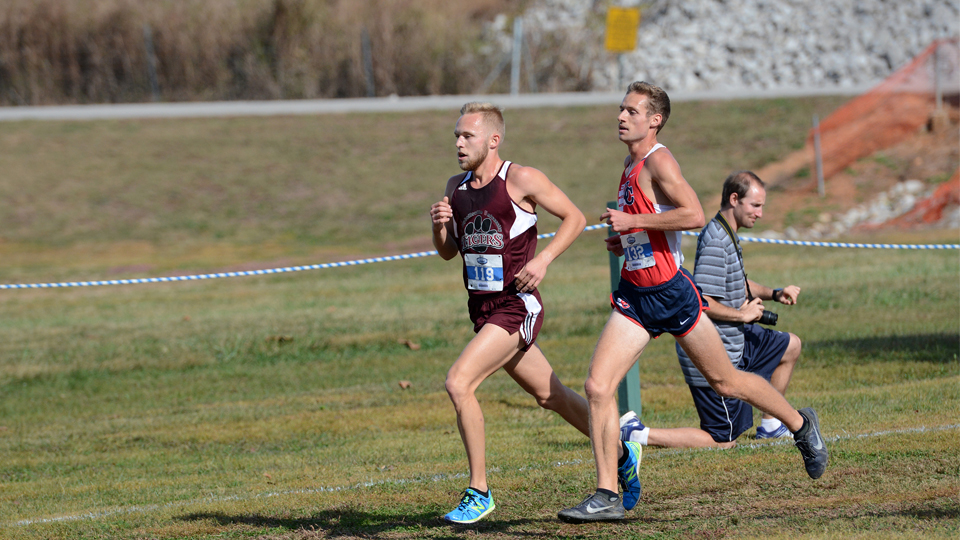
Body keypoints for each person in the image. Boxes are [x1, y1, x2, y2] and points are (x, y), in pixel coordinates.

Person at [558, 82, 828, 524]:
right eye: (621, 109)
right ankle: (606, 493)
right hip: (636, 294)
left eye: (631, 111)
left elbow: (695, 214)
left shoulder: (659, 159)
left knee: (725, 382)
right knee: (597, 387)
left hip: (671, 294)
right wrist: (629, 240)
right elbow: (659, 226)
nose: (621, 116)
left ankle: (801, 425)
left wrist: (634, 220)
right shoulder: (630, 162)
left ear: (654, 120)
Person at [429, 102, 641, 524]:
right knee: (551, 396)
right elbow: (449, 253)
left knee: (459, 382)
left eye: (466, 136)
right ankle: (620, 451)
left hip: (516, 307)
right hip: (484, 310)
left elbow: (575, 218)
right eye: (456, 135)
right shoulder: (456, 187)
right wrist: (438, 226)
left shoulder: (520, 178)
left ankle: (479, 491)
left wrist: (542, 261)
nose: (458, 142)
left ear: (493, 140)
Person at [619, 170, 804, 449]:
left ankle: (771, 426)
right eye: (755, 205)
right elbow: (703, 300)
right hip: (714, 353)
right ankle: (637, 433)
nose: (761, 213)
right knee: (722, 440)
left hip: (736, 340)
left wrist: (775, 293)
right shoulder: (716, 240)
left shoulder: (728, 233)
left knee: (790, 346)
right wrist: (742, 315)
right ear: (734, 199)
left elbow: (736, 284)